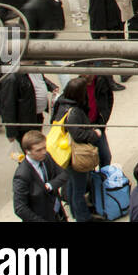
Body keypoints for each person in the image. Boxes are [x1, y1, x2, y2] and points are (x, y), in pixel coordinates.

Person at [50, 77, 106, 222]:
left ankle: (76, 214)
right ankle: (83, 217)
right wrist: (94, 134)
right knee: (78, 190)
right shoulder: (74, 111)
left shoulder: (61, 103)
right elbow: (78, 133)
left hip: (65, 152)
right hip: (75, 154)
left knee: (72, 186)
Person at [13, 130, 67, 222]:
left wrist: (50, 185)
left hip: (57, 214)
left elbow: (63, 175)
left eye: (44, 148)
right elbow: (20, 208)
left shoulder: (46, 158)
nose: (43, 152)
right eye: (38, 150)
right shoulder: (22, 175)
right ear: (27, 151)